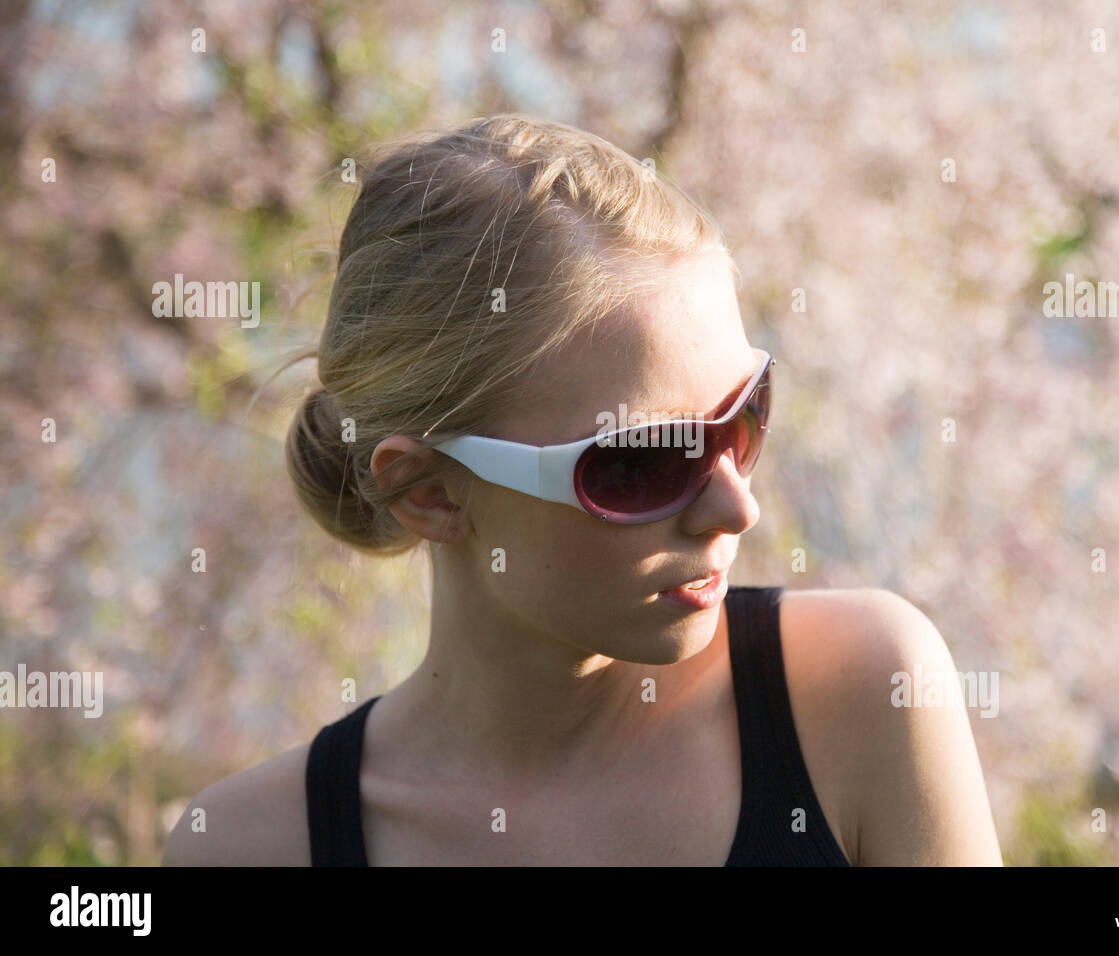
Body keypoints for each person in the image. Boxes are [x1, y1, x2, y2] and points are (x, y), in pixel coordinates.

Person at [163, 114, 1002, 866]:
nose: (735, 506)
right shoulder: (251, 848)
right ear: (429, 492)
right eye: (643, 460)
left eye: (744, 416)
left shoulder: (860, 696)